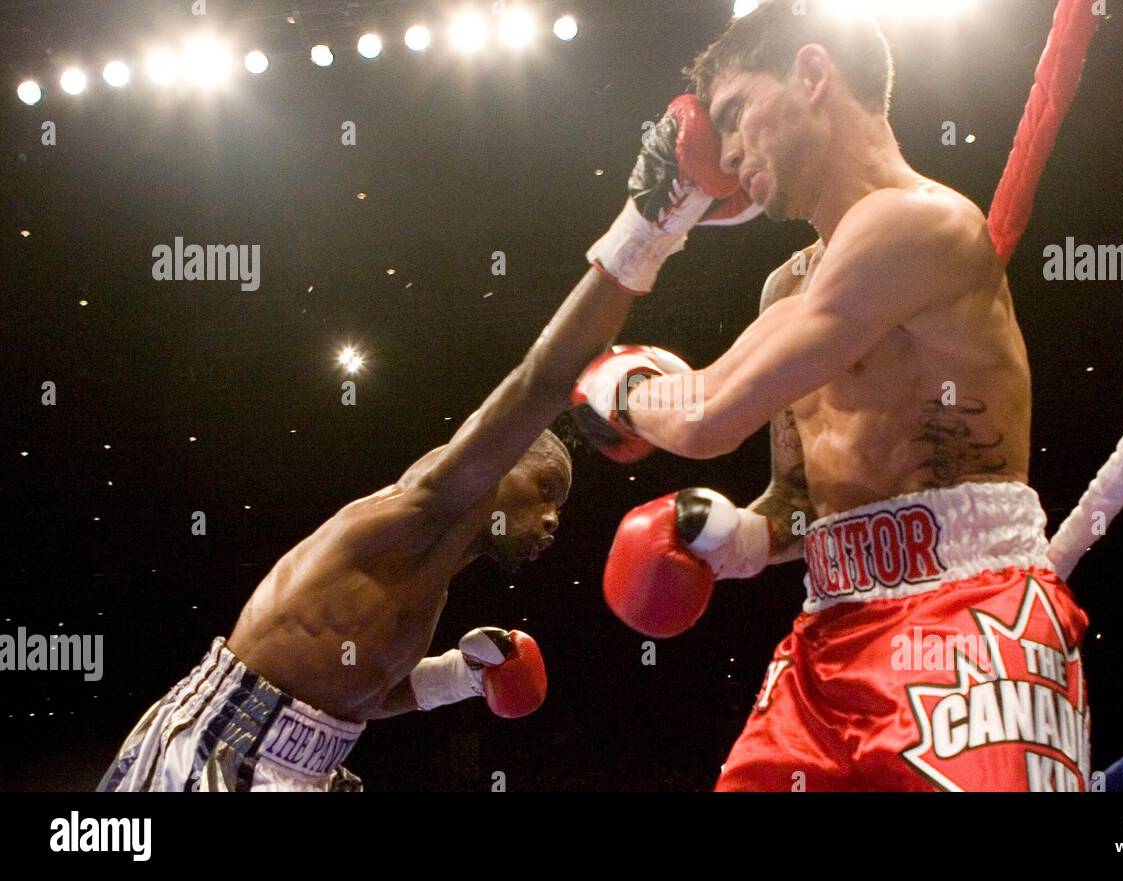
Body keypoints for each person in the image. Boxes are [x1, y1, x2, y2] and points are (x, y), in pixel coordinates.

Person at [97, 88, 754, 791]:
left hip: (300, 764)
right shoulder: (421, 508)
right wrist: (649, 229)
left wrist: (456, 677)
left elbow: (359, 691)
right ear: (501, 468)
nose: (552, 519)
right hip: (220, 748)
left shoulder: (431, 579)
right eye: (544, 491)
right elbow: (537, 384)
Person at [576, 2, 1091, 792]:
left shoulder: (920, 224)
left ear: (813, 74)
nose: (731, 152)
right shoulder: (786, 285)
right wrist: (737, 538)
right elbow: (799, 499)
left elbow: (710, 414)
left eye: (739, 115)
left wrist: (618, 386)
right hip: (827, 636)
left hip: (972, 619)